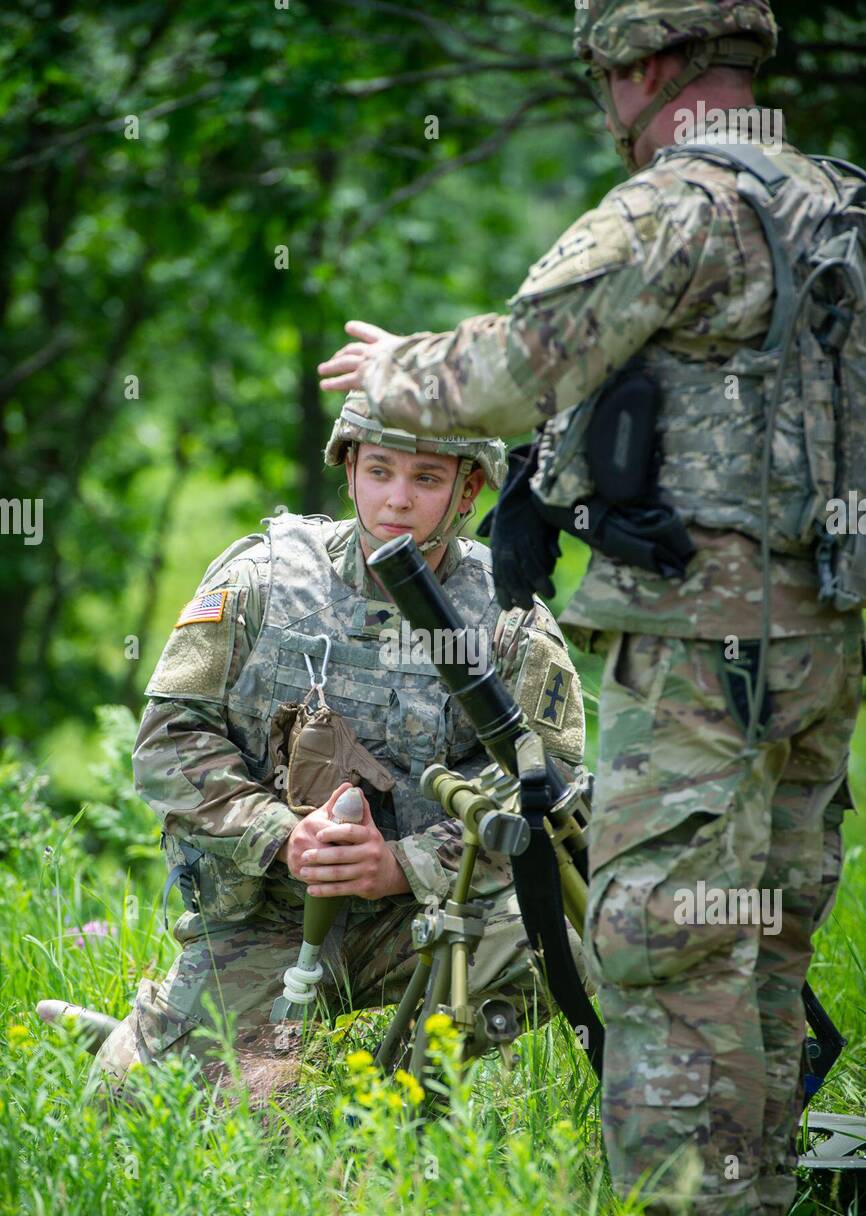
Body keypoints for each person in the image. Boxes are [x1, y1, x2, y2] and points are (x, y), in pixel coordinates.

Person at [317, 1, 866, 1216]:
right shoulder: (833, 204)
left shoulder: (678, 204)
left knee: (664, 931)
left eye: (607, 76)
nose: (604, 103)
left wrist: (401, 368)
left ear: (652, 69)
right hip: (820, 638)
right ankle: (761, 1214)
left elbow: (519, 364)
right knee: (764, 918)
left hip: (696, 640)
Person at [87, 394, 589, 1102]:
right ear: (348, 465)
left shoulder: (509, 618)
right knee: (133, 1105)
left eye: (425, 479)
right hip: (272, 912)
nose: (396, 500)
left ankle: (398, 1073)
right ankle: (151, 1039)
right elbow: (170, 742)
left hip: (427, 918)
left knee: (597, 934)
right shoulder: (261, 580)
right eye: (379, 470)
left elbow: (550, 782)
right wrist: (282, 837)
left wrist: (403, 865)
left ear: (468, 489)